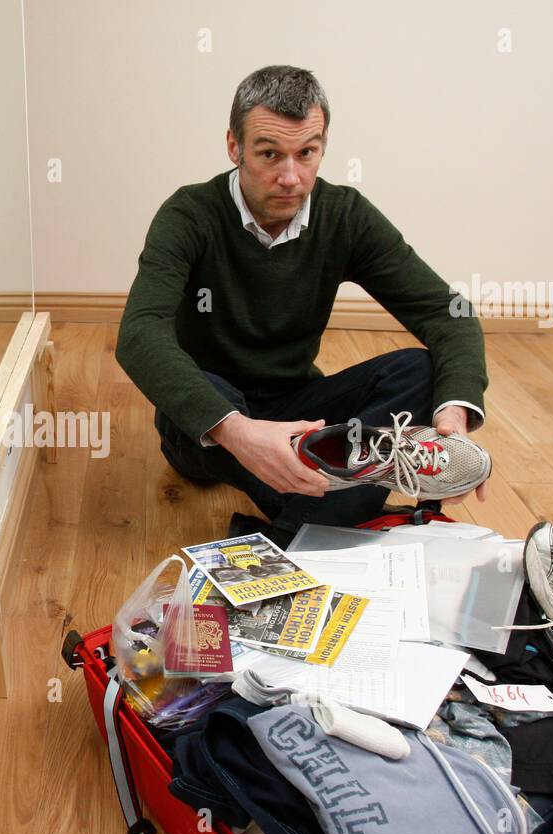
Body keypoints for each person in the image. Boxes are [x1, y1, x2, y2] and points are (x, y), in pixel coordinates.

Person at [117, 66, 489, 545]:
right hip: (209, 418)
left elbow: (446, 312)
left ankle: (298, 529)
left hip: (299, 407)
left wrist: (450, 423)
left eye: (306, 153)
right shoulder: (189, 214)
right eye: (270, 154)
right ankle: (326, 518)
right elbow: (140, 333)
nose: (290, 177)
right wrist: (239, 432)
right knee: (192, 389)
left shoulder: (346, 215)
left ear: (322, 146)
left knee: (419, 371)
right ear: (234, 147)